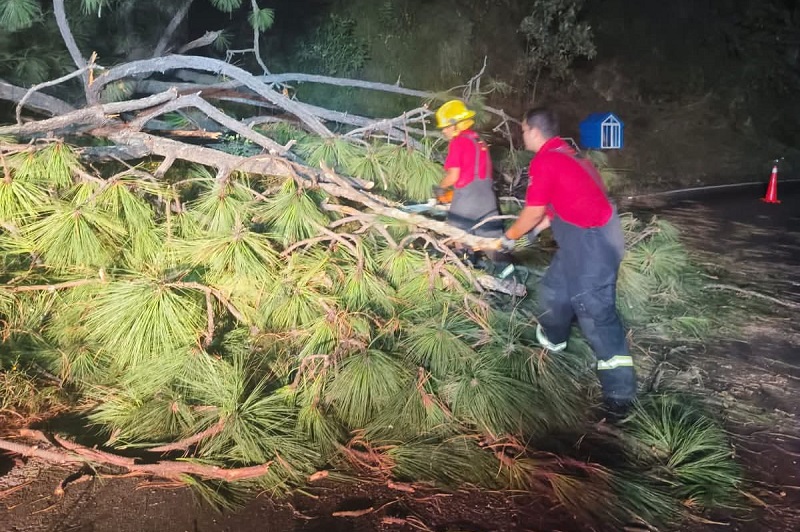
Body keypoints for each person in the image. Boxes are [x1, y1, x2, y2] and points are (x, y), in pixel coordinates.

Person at [498, 107, 636, 419]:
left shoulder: (545, 160)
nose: (522, 137)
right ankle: (551, 355)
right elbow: (562, 202)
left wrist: (511, 236)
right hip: (585, 237)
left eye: (523, 131)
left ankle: (620, 397)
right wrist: (536, 229)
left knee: (595, 314)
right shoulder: (570, 156)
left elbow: (533, 210)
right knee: (555, 291)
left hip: (594, 243)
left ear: (534, 131)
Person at [434, 100, 504, 242]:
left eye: (446, 126)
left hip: (466, 203)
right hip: (488, 201)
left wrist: (440, 188)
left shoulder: (457, 142)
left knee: (460, 243)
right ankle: (501, 264)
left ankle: (463, 261)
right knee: (494, 246)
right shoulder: (479, 141)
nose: (443, 130)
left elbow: (454, 176)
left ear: (455, 125)